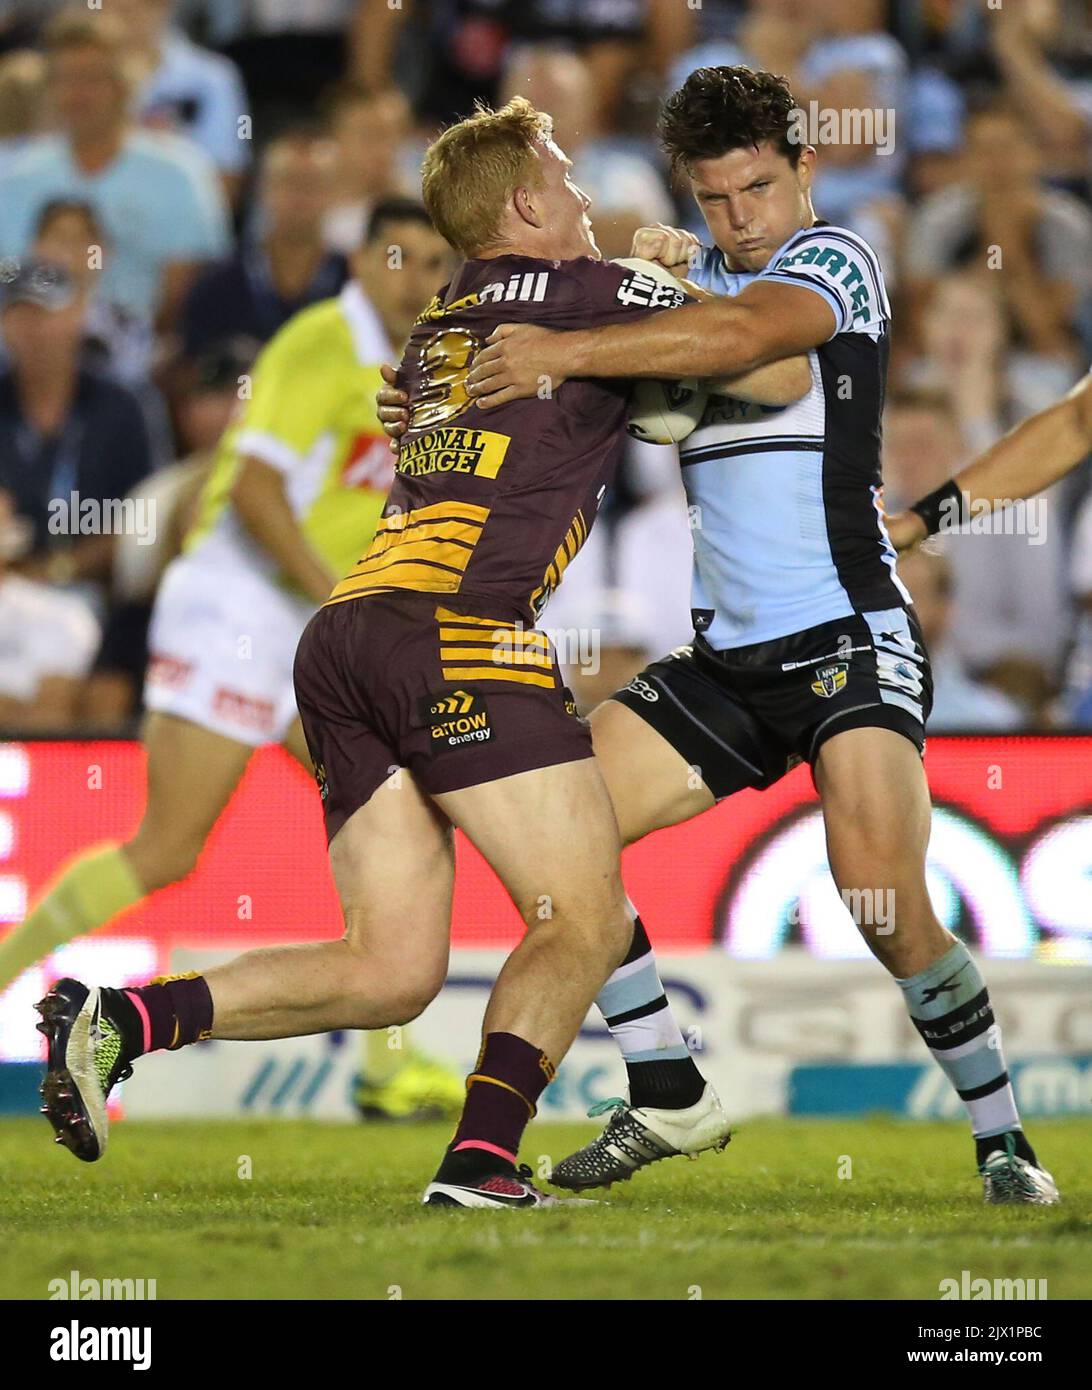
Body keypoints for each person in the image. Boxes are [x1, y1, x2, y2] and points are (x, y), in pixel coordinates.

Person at [32, 99, 807, 1210]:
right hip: (464, 635)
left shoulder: (436, 324)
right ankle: (484, 1161)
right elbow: (774, 370)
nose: (588, 196)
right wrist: (673, 282)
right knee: (580, 915)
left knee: (391, 967)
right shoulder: (593, 287)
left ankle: (122, 1018)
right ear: (529, 203)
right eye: (569, 178)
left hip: (345, 637)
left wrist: (644, 318)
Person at [385, 68, 1073, 1204]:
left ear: (805, 168)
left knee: (885, 904)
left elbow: (758, 346)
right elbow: (546, 391)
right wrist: (435, 397)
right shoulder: (670, 284)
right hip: (727, 661)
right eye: (715, 199)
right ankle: (665, 1081)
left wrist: (592, 333)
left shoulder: (835, 261)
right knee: (563, 839)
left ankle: (1003, 1138)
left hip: (847, 634)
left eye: (758, 186)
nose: (740, 217)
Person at [0, 202, 446, 1003]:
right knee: (168, 848)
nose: (414, 280)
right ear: (359, 263)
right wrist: (339, 600)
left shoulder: (423, 368)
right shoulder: (321, 343)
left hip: (307, 625)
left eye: (431, 263)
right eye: (396, 257)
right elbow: (253, 487)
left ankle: (387, 1059)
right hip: (235, 606)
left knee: (391, 816)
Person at [0, 11, 231, 329]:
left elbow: (189, 297)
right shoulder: (15, 176)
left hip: (144, 359)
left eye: (92, 79)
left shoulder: (181, 174)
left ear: (125, 84)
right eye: (65, 78)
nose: (77, 93)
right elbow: (5, 277)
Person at [0, 258, 153, 587]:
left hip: (99, 590)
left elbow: (148, 518)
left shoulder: (120, 407)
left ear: (78, 316)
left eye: (46, 313)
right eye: (20, 313)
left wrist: (60, 568)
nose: (34, 329)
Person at [180, 129, 346, 361]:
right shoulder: (217, 285)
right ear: (263, 189)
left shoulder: (356, 284)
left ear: (336, 193)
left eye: (313, 184)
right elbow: (191, 375)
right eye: (289, 182)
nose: (301, 196)